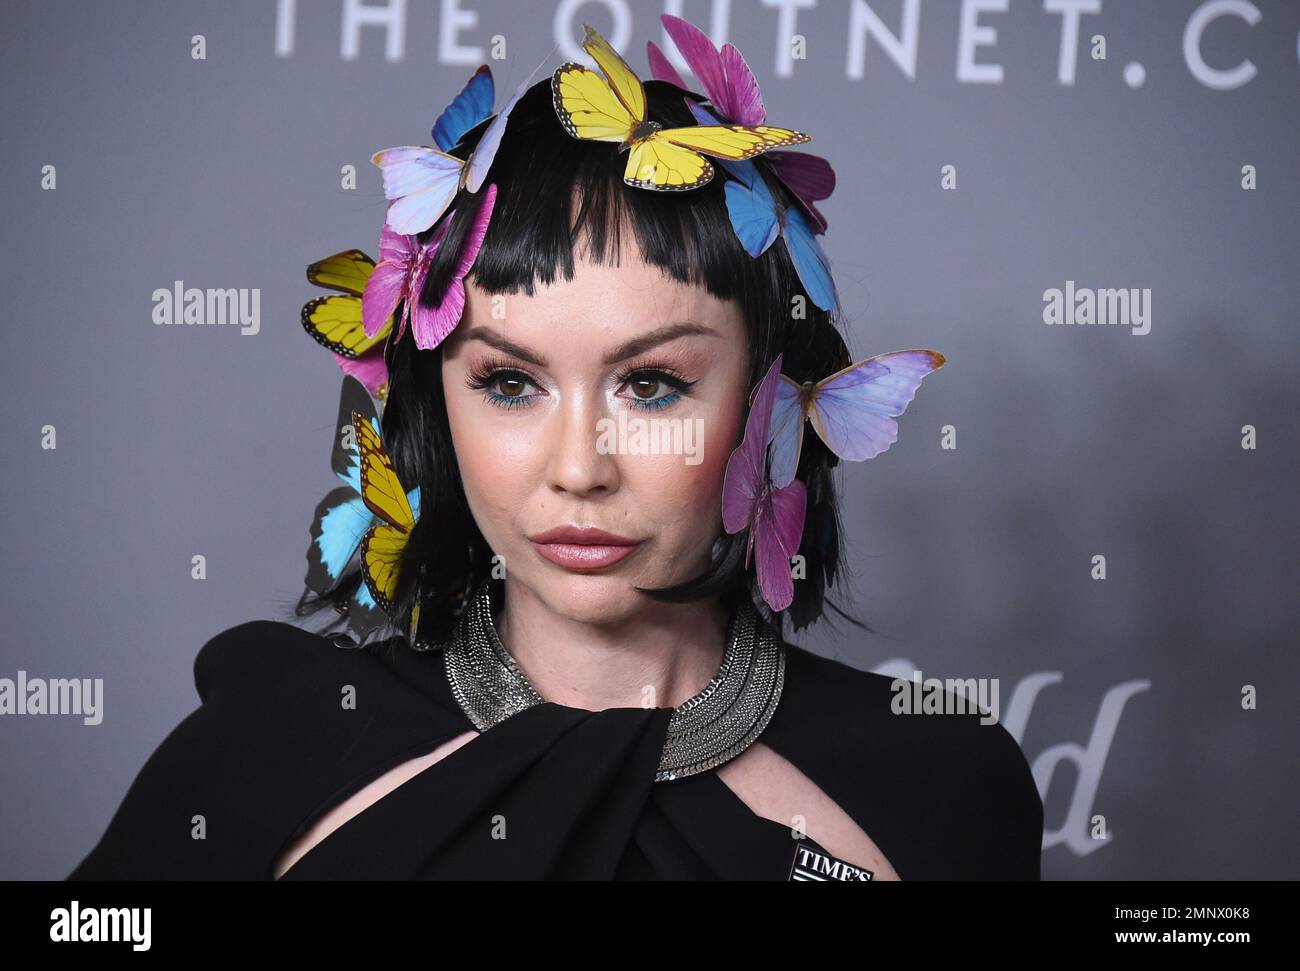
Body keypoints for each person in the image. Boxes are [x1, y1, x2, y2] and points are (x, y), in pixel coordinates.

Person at [67, 24, 1042, 882]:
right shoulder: (269, 750)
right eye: (508, 383)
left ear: (771, 394)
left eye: (650, 384)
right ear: (433, 400)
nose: (579, 467)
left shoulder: (941, 781)